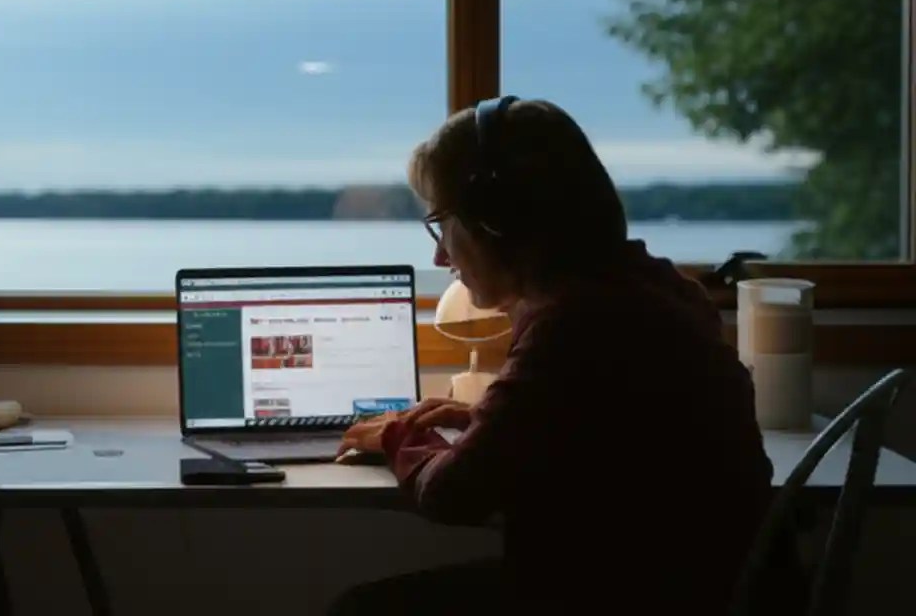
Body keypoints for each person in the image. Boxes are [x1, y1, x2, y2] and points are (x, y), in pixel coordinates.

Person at [329, 98, 799, 615]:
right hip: (718, 588)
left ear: (497, 219)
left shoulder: (572, 324)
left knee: (359, 610)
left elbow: (455, 494)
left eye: (443, 222)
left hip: (640, 596)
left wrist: (399, 433)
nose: (440, 255)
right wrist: (484, 419)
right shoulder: (660, 287)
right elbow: (600, 431)